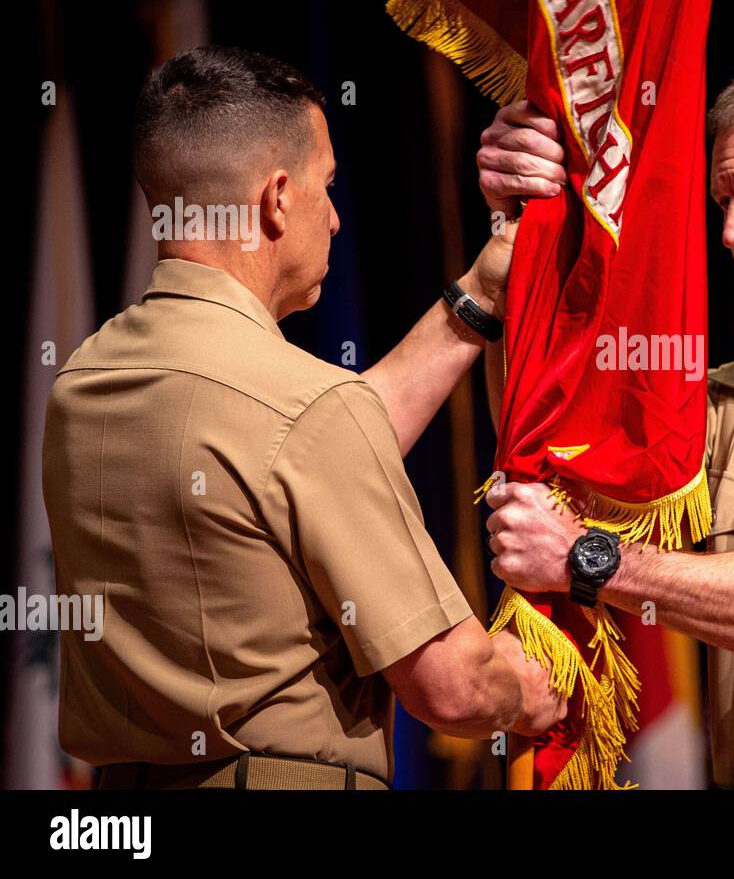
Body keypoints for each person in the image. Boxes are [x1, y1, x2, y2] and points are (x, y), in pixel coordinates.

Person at [42, 45, 565, 790]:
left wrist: (479, 293)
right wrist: (530, 685)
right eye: (327, 186)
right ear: (277, 198)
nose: (337, 216)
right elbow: (454, 690)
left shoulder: (83, 381)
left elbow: (291, 453)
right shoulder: (305, 407)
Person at [476, 60, 734, 788]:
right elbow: (559, 452)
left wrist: (590, 561)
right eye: (725, 201)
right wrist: (526, 229)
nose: (733, 231)